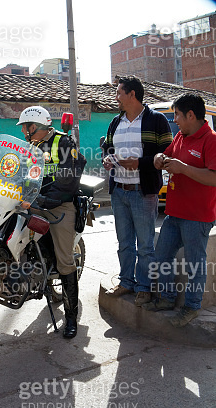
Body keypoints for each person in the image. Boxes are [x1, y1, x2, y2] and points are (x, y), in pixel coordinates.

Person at [143, 94, 216, 326]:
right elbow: (168, 154)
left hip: (197, 216)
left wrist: (183, 168)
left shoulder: (211, 140)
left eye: (177, 115)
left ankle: (192, 307)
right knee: (162, 256)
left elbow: (214, 178)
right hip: (175, 213)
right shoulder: (181, 136)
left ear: (191, 115)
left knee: (195, 263)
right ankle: (166, 298)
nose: (175, 120)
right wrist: (158, 158)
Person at [101, 76, 173, 306]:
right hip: (119, 191)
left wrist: (140, 163)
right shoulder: (115, 122)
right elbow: (107, 148)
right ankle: (126, 282)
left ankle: (144, 286)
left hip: (144, 192)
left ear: (132, 94)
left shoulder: (156, 120)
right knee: (124, 242)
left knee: (145, 244)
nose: (117, 98)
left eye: (119, 93)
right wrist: (107, 160)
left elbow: (167, 154)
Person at [17, 105, 86, 338]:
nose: (23, 131)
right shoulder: (29, 147)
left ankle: (70, 318)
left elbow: (69, 180)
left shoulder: (64, 143)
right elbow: (19, 172)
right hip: (33, 203)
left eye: (25, 127)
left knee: (65, 261)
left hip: (59, 206)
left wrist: (47, 200)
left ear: (34, 126)